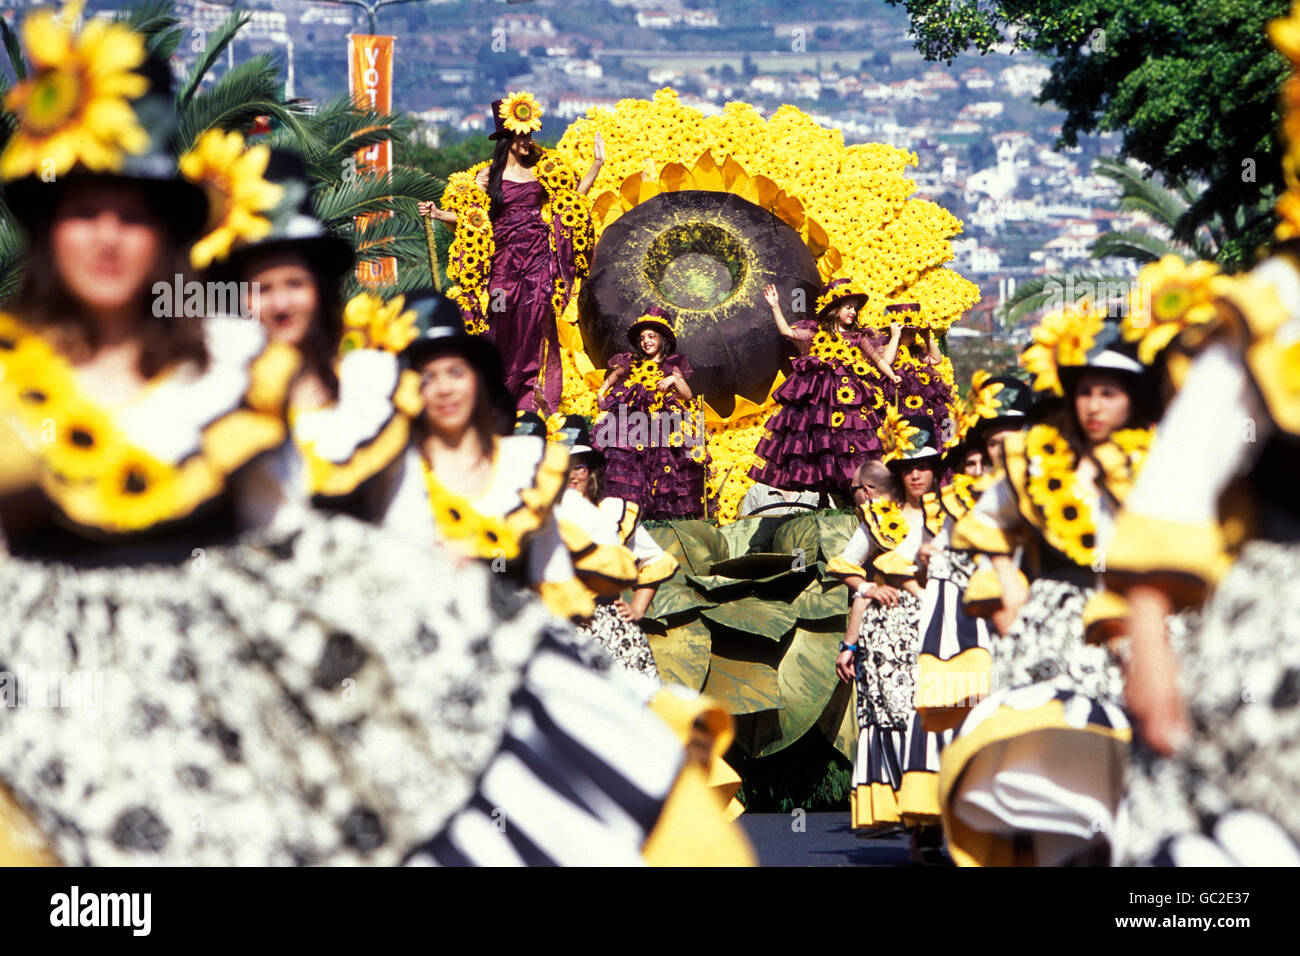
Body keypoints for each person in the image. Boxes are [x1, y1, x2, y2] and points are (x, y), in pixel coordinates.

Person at [939, 312, 1160, 866]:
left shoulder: (1161, 458)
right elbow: (987, 521)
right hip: (1054, 620)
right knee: (1048, 751)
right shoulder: (1037, 457)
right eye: (1085, 391)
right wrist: (1009, 583)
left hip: (1141, 620)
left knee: (1137, 758)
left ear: (1131, 397)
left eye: (1107, 392)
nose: (1093, 405)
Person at [211, 149, 420, 520]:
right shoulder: (212, 395)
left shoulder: (371, 388)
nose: (281, 304)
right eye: (262, 289)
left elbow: (406, 520)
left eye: (294, 284)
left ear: (320, 291)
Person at [379, 293, 594, 623]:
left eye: (455, 371)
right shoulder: (389, 475)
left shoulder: (526, 468)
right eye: (427, 377)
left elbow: (554, 585)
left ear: (477, 379)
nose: (444, 388)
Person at [418, 91, 603, 414]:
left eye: (530, 134)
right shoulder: (487, 178)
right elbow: (472, 219)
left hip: (537, 262)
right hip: (503, 263)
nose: (527, 141)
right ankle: (495, 395)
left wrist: (597, 165)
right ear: (506, 138)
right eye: (521, 135)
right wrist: (436, 213)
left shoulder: (543, 173)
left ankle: (529, 404)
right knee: (500, 326)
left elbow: (572, 202)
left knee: (533, 328)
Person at [827, 411, 945, 837]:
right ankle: (907, 815)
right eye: (908, 467)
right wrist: (868, 591)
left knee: (941, 712)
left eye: (924, 466)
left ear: (935, 470)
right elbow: (844, 564)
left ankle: (938, 807)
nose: (916, 475)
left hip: (941, 623)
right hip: (891, 631)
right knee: (895, 713)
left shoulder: (952, 514)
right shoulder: (879, 515)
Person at [750, 279, 892, 496]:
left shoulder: (857, 337)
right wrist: (775, 306)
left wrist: (892, 375)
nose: (853, 312)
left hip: (849, 402)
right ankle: (824, 496)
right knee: (820, 443)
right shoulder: (815, 334)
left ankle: (850, 492)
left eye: (855, 308)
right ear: (833, 309)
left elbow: (877, 359)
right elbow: (788, 332)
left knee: (850, 442)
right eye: (848, 307)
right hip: (820, 403)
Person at [594, 307, 707, 519]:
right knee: (625, 455)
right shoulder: (631, 361)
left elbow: (688, 396)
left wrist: (674, 380)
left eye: (651, 336)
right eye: (643, 337)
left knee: (661, 462)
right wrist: (601, 392)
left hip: (660, 422)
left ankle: (655, 513)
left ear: (662, 340)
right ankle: (624, 505)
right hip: (631, 417)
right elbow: (614, 376)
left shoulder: (671, 366)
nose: (646, 341)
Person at [875, 303, 956, 444]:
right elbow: (887, 361)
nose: (914, 335)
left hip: (921, 401)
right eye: (909, 332)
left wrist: (927, 337)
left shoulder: (915, 351)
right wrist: (895, 337)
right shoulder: (888, 347)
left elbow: (936, 359)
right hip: (898, 401)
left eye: (915, 332)